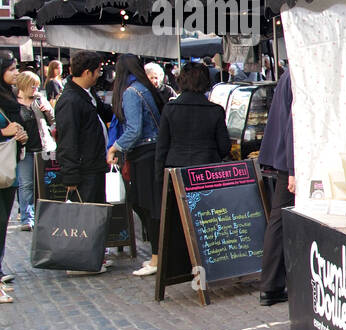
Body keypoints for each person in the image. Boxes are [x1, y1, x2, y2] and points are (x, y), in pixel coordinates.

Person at [54, 52, 114, 274]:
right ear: (87, 72)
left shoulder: (85, 94)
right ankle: (81, 261)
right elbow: (67, 141)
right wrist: (70, 175)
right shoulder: (70, 100)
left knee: (93, 214)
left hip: (93, 165)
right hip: (84, 168)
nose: (100, 75)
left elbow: (102, 113)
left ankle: (92, 257)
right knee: (84, 217)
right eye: (98, 71)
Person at [108, 54, 166, 278]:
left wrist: (115, 148)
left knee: (147, 206)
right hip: (152, 152)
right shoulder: (144, 88)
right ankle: (157, 256)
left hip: (143, 154)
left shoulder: (131, 92)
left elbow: (134, 130)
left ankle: (157, 257)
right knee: (149, 206)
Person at [156, 62, 231, 191]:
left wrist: (159, 178)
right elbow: (224, 146)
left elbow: (162, 147)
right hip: (207, 170)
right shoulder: (215, 110)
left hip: (177, 170)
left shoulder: (170, 109)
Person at [258, 66, 293, 306]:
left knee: (278, 220)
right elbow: (293, 126)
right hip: (291, 161)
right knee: (279, 220)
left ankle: (271, 286)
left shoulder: (287, 75)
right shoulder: (296, 75)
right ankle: (271, 286)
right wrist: (294, 169)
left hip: (285, 158)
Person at [13, 69, 55, 231]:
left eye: (37, 86)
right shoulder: (14, 103)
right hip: (25, 150)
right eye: (33, 86)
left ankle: (45, 215)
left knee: (45, 183)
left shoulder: (39, 99)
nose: (35, 89)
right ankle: (27, 219)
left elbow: (53, 122)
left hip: (43, 147)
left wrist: (48, 110)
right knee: (26, 184)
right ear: (24, 85)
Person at [0, 108, 27, 300]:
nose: (16, 74)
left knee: (2, 223)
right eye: (12, 73)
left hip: (7, 169)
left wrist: (21, 138)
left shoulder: (7, 99)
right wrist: (3, 132)